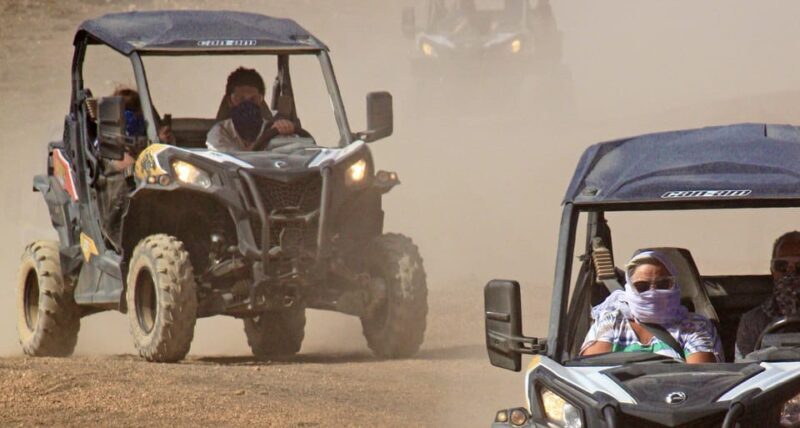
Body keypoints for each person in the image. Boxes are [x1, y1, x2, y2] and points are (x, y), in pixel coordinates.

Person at [581, 250, 722, 363]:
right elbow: (591, 371)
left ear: (675, 285)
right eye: (642, 286)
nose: (653, 292)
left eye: (663, 285)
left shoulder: (694, 326)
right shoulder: (613, 322)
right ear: (629, 289)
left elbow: (698, 378)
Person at [735, 231, 800, 358]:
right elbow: (746, 370)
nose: (790, 274)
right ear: (772, 270)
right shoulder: (752, 321)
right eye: (782, 266)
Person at [206, 67, 297, 152]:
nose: (247, 104)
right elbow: (225, 162)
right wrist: (261, 142)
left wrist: (287, 129)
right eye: (240, 99)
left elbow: (292, 156)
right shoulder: (220, 131)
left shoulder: (273, 129)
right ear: (230, 101)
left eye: (253, 99)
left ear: (261, 100)